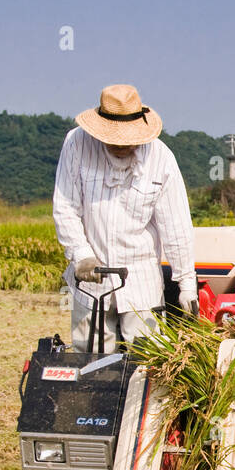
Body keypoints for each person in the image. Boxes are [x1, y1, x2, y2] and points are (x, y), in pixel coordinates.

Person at [53, 83, 198, 351]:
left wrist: (186, 283)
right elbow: (65, 206)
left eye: (128, 138)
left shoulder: (162, 159)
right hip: (91, 280)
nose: (121, 144)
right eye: (113, 138)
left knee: (146, 361)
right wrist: (81, 254)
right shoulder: (76, 143)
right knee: (90, 359)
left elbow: (176, 227)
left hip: (140, 279)